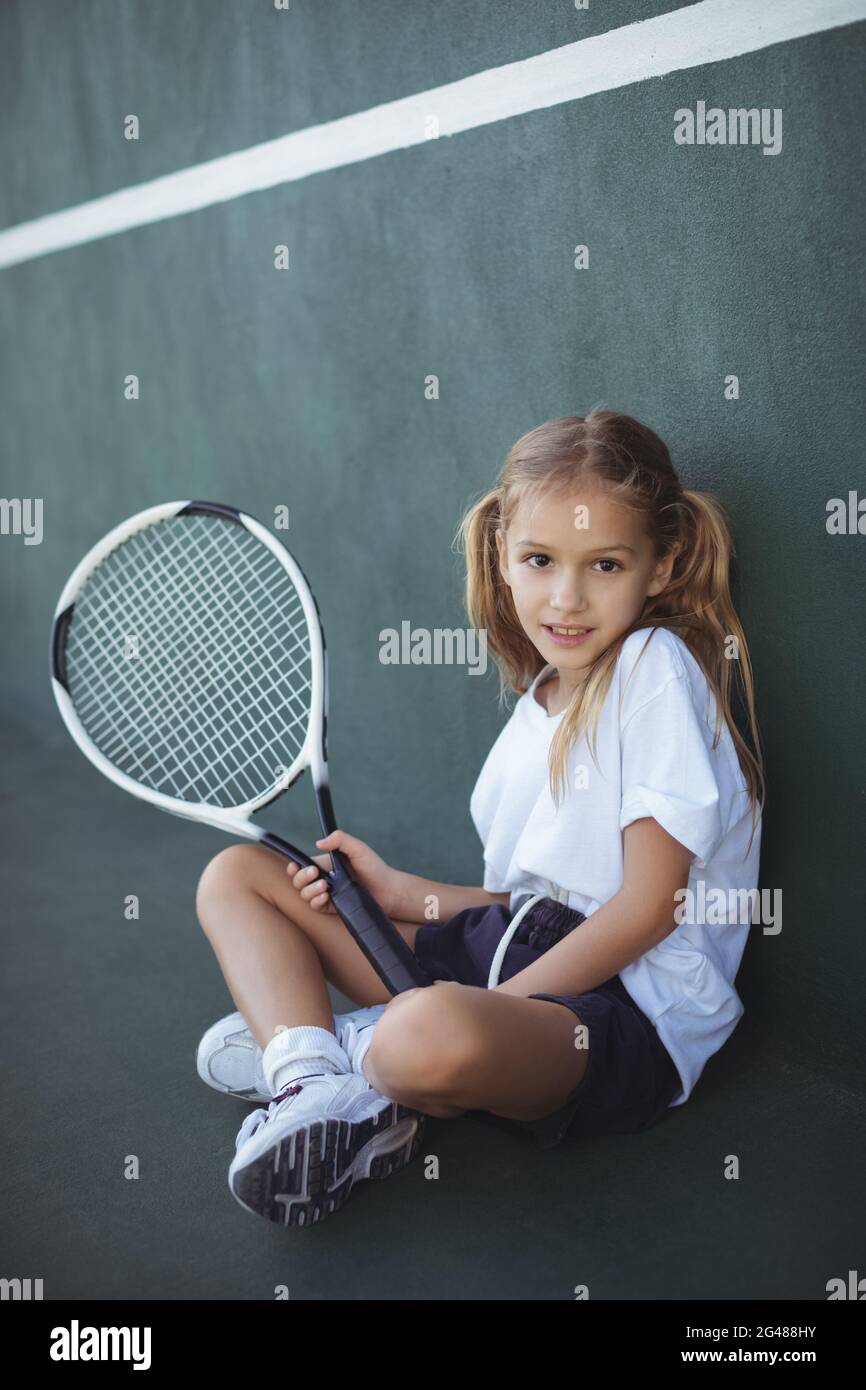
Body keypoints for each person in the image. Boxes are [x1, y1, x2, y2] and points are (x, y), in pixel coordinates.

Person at [195, 408, 765, 1227]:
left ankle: (344, 1051)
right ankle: (314, 1079)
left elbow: (649, 909)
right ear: (503, 555)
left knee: (421, 1033)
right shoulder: (537, 702)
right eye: (540, 560)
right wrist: (403, 893)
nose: (566, 598)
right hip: (509, 963)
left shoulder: (654, 668)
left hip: (621, 1015)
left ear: (662, 565)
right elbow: (523, 908)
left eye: (605, 564)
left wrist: (502, 1007)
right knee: (240, 878)